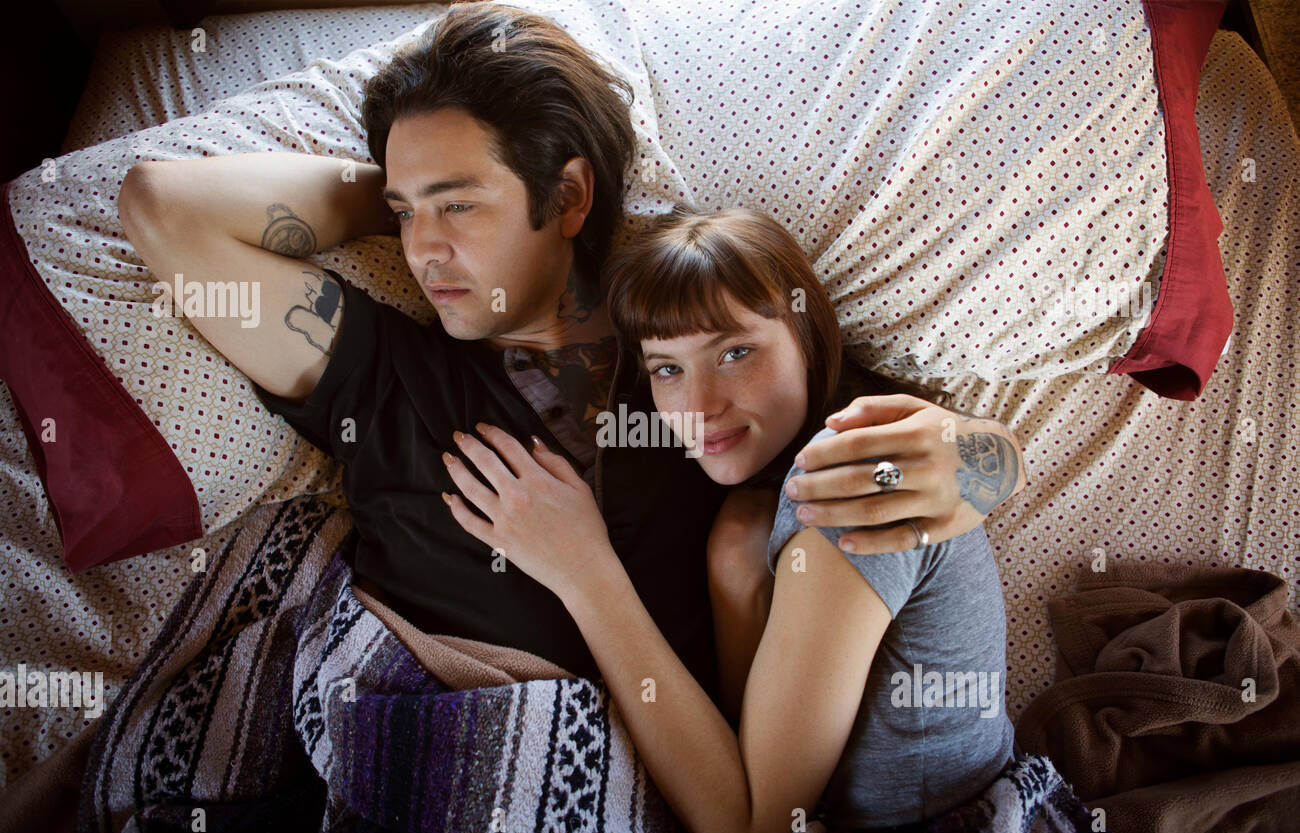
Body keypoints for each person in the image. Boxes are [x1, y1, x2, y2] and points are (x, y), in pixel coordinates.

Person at [116, 4, 1025, 717]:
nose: (422, 250)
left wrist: (980, 459)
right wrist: (412, 188)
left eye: (458, 206)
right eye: (404, 214)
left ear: (570, 191)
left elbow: (957, 456)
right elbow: (164, 207)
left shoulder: (688, 358)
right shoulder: (383, 380)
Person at [441, 206, 1019, 833]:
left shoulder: (846, 483)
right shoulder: (744, 509)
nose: (699, 406)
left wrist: (583, 570)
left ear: (806, 336)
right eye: (666, 369)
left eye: (736, 351)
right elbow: (744, 769)